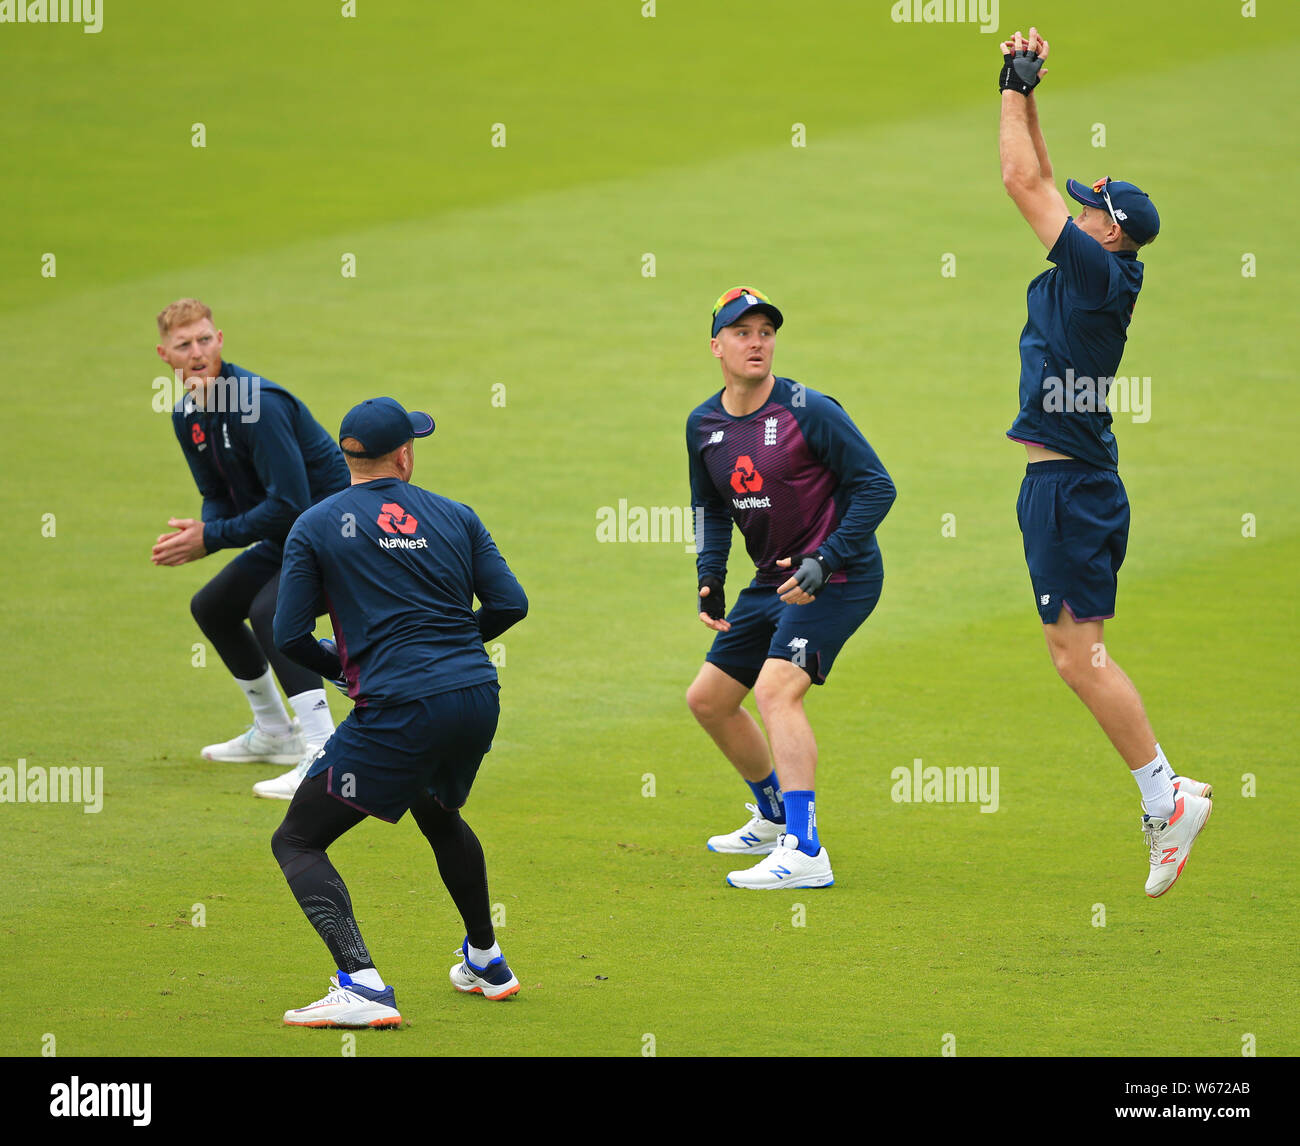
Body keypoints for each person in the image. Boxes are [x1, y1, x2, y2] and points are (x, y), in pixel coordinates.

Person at [998, 28, 1211, 897]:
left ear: (1110, 233)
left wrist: (1006, 90)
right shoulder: (1101, 264)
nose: (1077, 207)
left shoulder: (1093, 273)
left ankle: (1166, 801)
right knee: (1074, 651)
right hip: (1070, 480)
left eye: (1093, 207)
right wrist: (1027, 92)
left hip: (1069, 487)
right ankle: (1170, 792)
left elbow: (1020, 183)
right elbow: (1042, 177)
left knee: (1076, 657)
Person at [270, 397, 527, 1028]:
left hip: (401, 707)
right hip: (474, 698)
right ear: (406, 455)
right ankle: (486, 959)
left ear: (345, 456)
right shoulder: (456, 516)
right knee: (437, 812)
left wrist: (352, 670)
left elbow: (290, 636)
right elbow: (510, 604)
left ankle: (361, 985)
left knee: (298, 839)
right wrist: (457, 645)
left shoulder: (317, 524)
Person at [685, 287, 896, 890]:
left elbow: (877, 487)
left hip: (842, 575)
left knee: (777, 691)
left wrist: (825, 560)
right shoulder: (704, 424)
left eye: (766, 332)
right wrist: (710, 576)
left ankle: (806, 852)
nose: (757, 343)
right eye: (743, 332)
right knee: (710, 700)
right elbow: (710, 509)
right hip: (771, 580)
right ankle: (775, 817)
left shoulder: (809, 408)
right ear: (716, 346)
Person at [152, 298, 350, 799]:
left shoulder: (256, 404)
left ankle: (322, 754)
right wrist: (203, 532)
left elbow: (290, 505)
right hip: (293, 534)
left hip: (337, 531)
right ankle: (275, 734)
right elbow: (217, 495)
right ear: (165, 355)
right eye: (183, 345)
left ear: (219, 340)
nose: (196, 352)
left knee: (271, 610)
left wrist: (211, 538)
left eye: (203, 339)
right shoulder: (186, 415)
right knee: (213, 606)